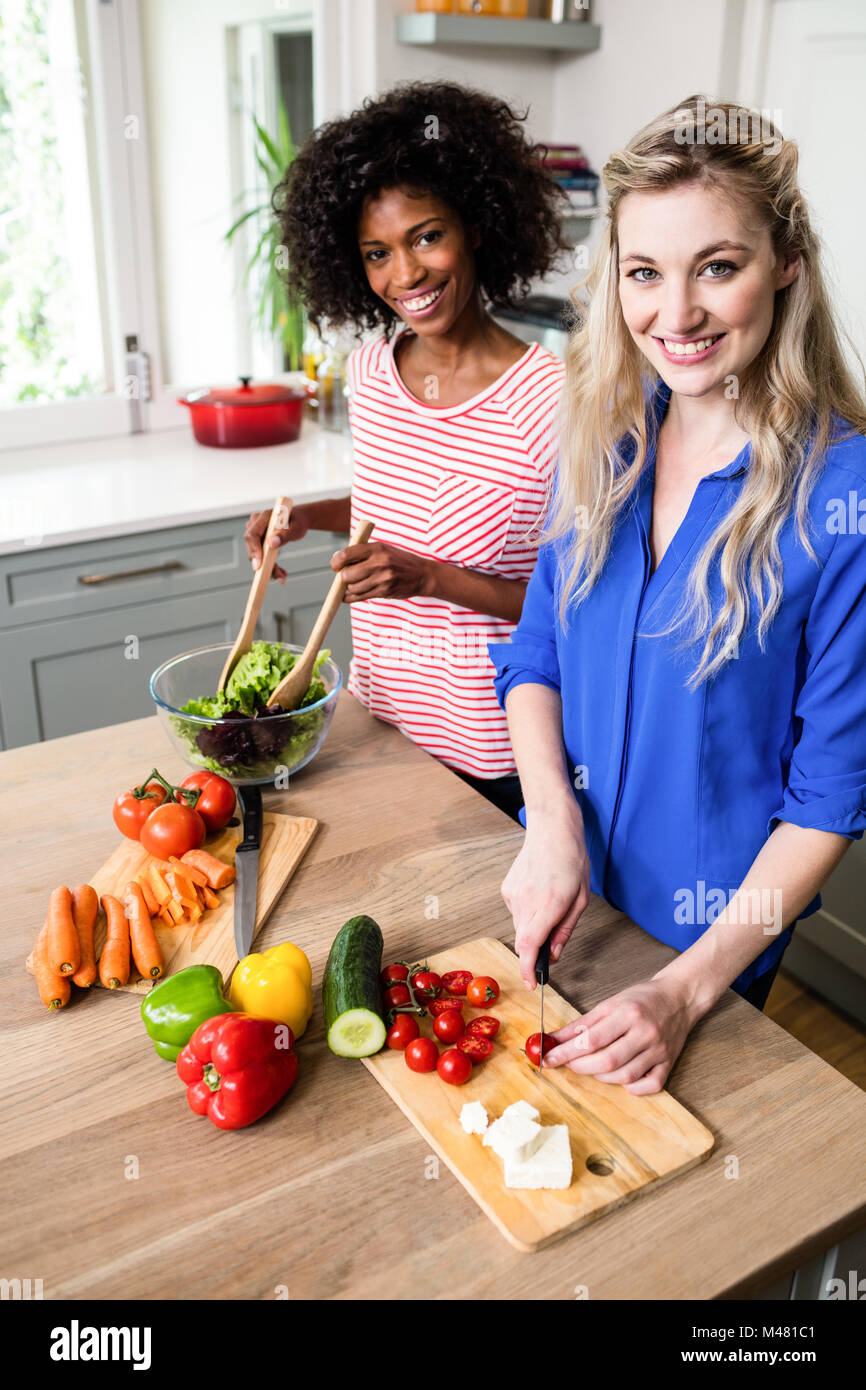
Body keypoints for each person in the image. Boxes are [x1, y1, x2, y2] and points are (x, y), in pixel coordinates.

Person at [491, 95, 866, 1091]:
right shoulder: (608, 433)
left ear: (784, 262)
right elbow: (534, 655)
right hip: (567, 899)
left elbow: (826, 802)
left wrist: (684, 991)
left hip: (707, 951)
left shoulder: (844, 498)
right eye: (643, 274)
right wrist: (550, 824)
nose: (675, 315)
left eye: (717, 267)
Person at [245, 82, 566, 820]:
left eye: (426, 236)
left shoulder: (553, 400)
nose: (406, 275)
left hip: (495, 748)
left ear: (477, 226)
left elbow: (573, 605)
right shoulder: (371, 371)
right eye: (377, 253)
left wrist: (428, 578)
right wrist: (304, 518)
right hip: (377, 717)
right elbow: (402, 504)